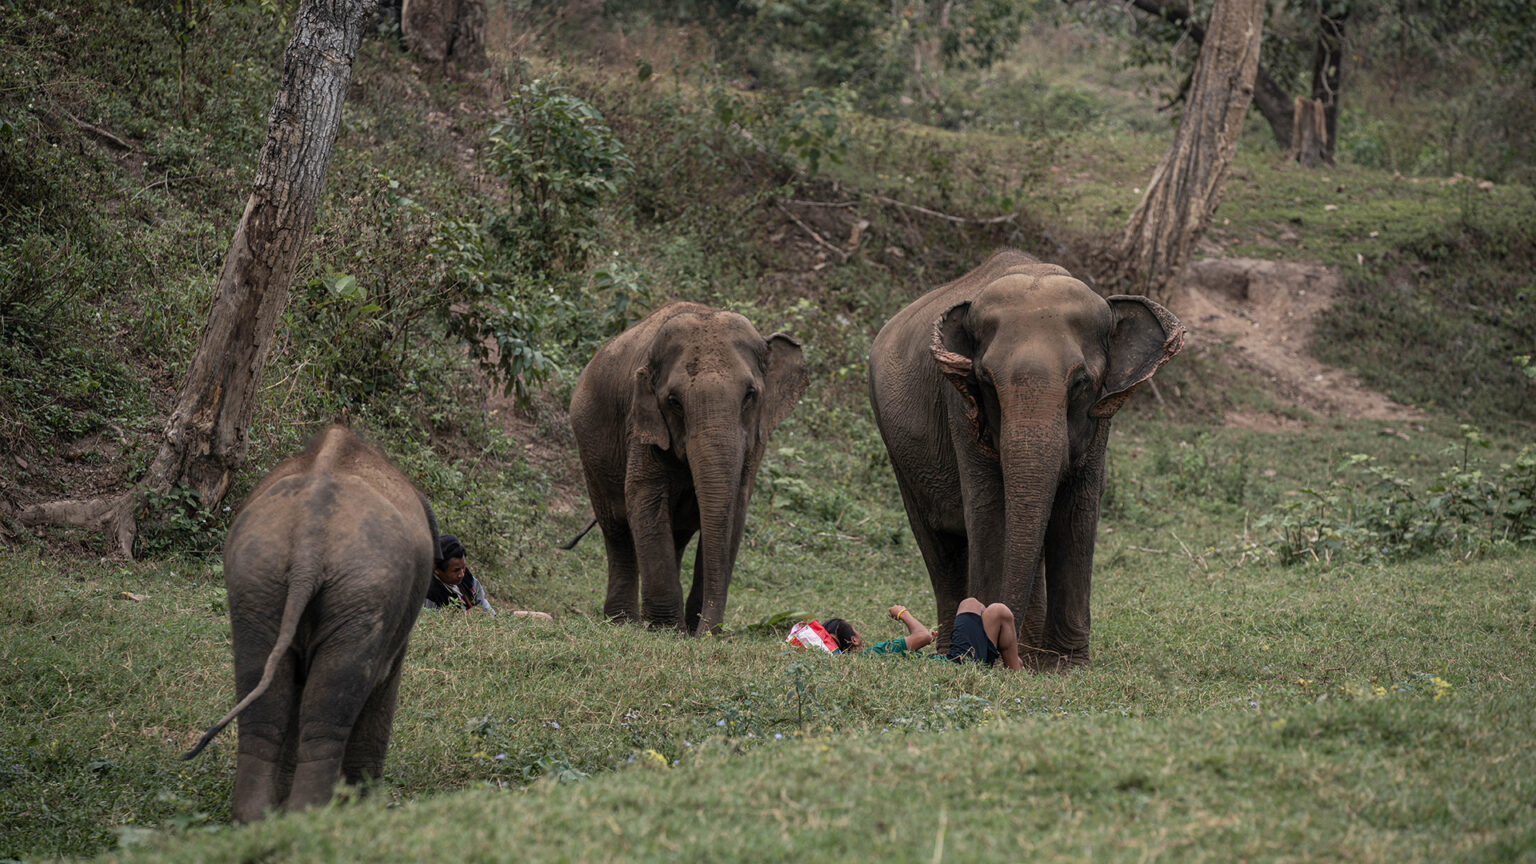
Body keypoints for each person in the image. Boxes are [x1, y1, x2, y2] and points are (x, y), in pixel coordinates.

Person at [822, 598, 1024, 670]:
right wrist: (902, 613)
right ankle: (1016, 674)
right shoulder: (874, 654)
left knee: (985, 610)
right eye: (855, 629)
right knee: (995, 611)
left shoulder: (863, 663)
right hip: (958, 665)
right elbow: (923, 636)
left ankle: (1007, 666)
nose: (859, 631)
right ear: (854, 639)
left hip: (954, 663)